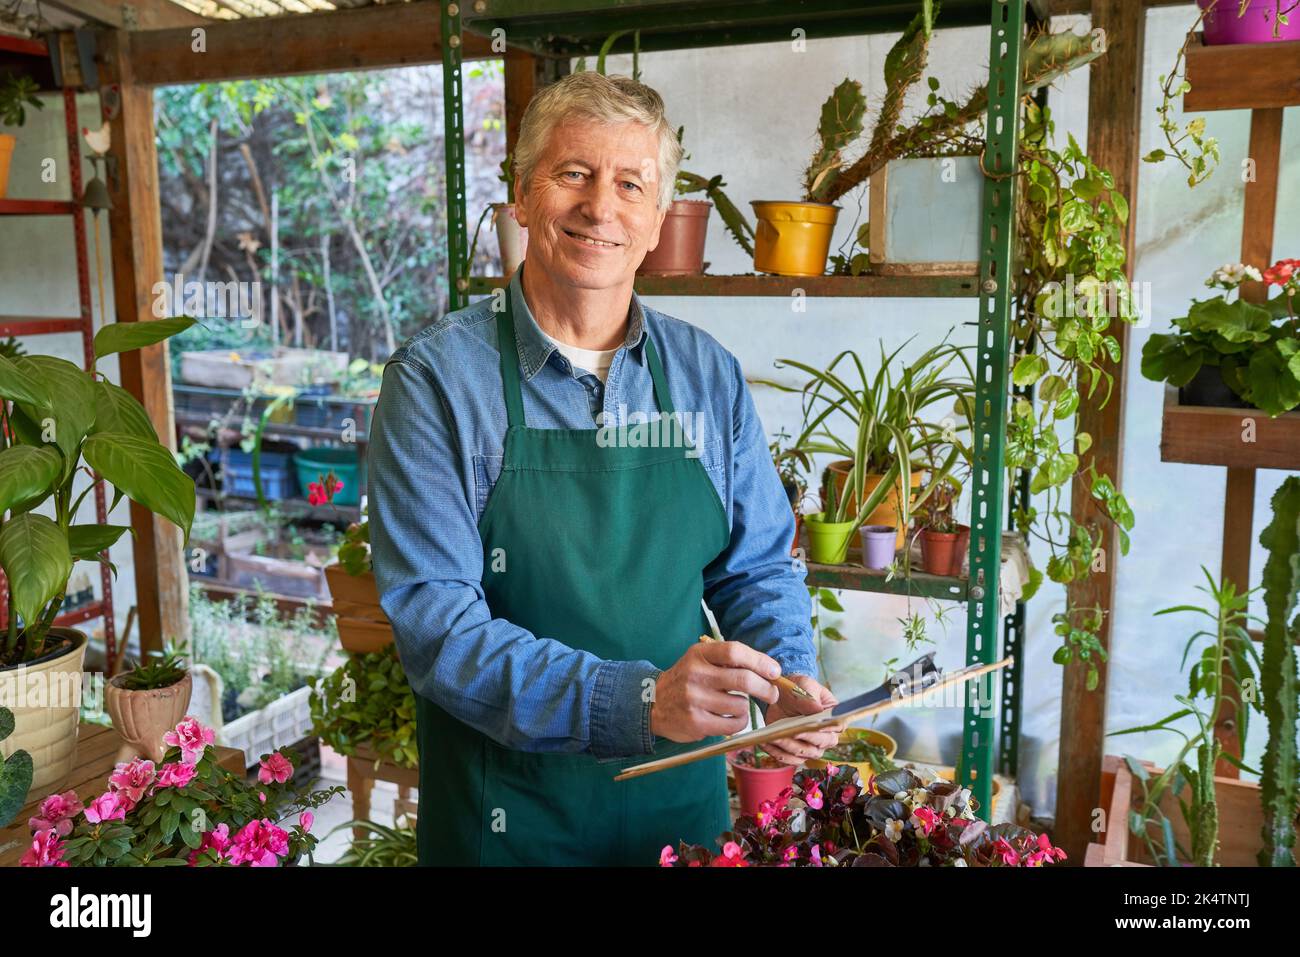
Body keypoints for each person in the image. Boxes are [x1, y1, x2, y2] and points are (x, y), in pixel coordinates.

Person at [368, 70, 840, 866]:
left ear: (658, 220)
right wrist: (643, 700)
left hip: (678, 820)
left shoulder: (706, 375)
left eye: (632, 183)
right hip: (505, 821)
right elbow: (438, 631)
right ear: (521, 196)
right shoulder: (435, 383)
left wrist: (789, 674)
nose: (601, 206)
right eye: (573, 174)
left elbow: (757, 567)